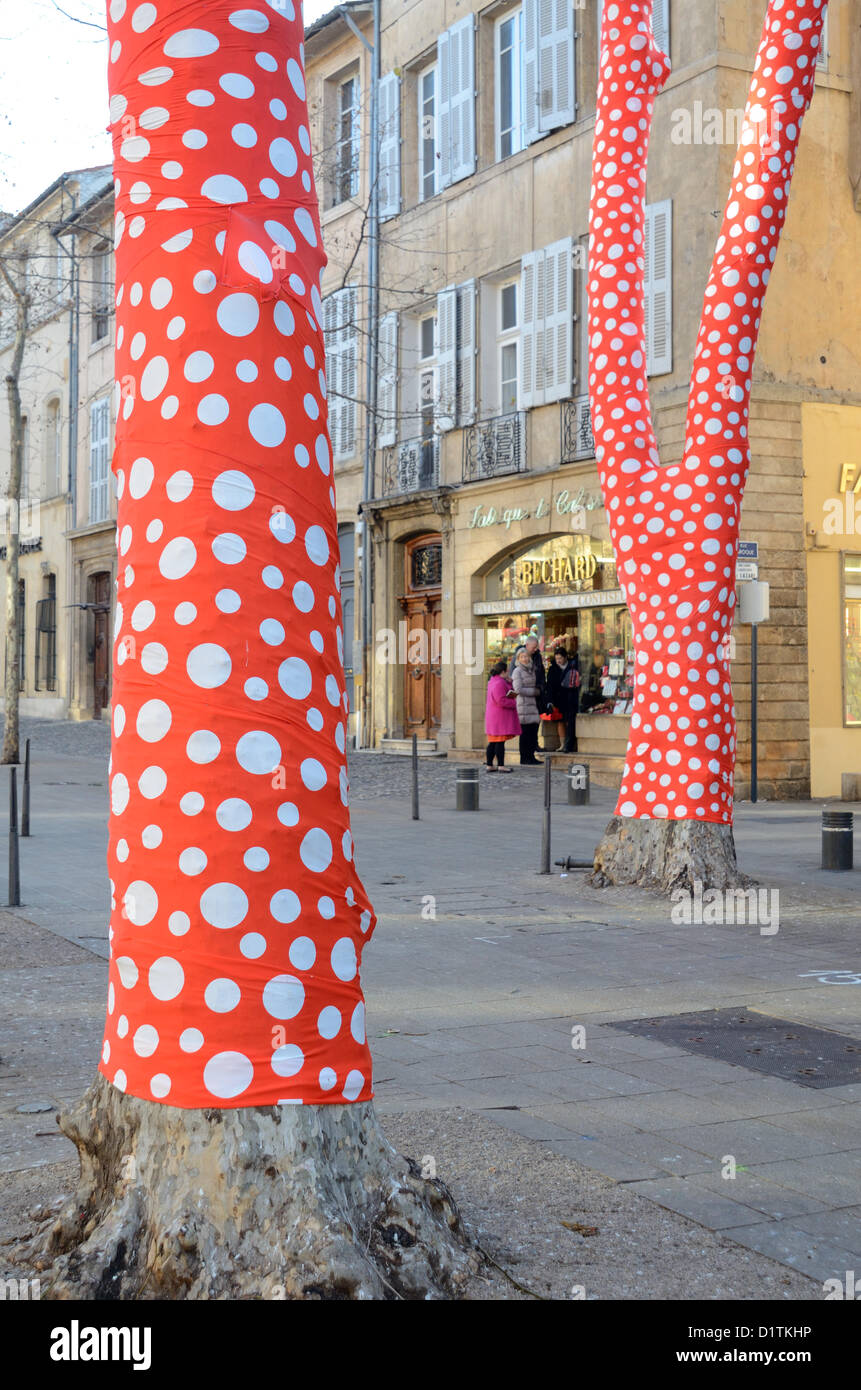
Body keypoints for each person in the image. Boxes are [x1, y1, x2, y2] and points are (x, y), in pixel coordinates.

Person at [484, 660, 519, 772]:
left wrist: (509, 682)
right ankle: (501, 765)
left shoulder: (493, 681)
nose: (508, 672)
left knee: (493, 742)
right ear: (503, 671)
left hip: (494, 716)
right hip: (499, 717)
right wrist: (514, 703)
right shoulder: (499, 683)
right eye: (507, 670)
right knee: (499, 742)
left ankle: (490, 764)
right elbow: (501, 700)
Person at [547, 647, 580, 753]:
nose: (558, 661)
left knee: (570, 722)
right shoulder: (553, 668)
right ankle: (562, 745)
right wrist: (550, 700)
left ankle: (569, 744)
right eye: (556, 658)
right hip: (558, 699)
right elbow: (550, 686)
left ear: (565, 657)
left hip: (571, 698)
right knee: (560, 722)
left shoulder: (573, 666)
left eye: (560, 658)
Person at [512, 648, 542, 764]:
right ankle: (524, 758)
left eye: (526, 656)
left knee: (533, 732)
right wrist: (534, 692)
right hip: (523, 705)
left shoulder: (532, 669)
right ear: (518, 659)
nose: (525, 659)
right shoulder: (517, 671)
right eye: (522, 657)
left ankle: (531, 756)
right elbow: (518, 689)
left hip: (533, 705)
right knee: (525, 733)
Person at [507, 634, 547, 707]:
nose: (535, 649)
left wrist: (541, 688)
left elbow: (541, 674)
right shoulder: (518, 656)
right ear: (527, 645)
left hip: (536, 697)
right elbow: (512, 677)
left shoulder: (537, 656)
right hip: (523, 697)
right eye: (533, 647)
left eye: (536, 647)